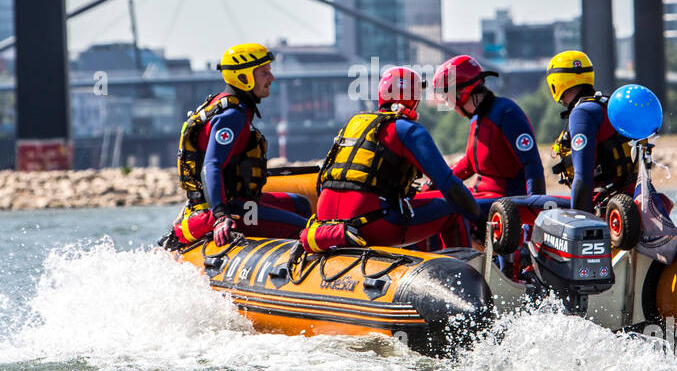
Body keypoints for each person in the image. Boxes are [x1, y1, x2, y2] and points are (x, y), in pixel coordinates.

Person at [300, 66, 478, 253]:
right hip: (369, 224)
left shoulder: (355, 123)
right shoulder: (406, 129)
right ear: (413, 98)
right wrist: (478, 217)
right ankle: (464, 274)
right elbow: (449, 185)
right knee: (453, 208)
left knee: (413, 206)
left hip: (325, 222)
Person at [167, 42, 311, 247]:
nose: (272, 78)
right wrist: (220, 216)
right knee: (308, 230)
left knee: (301, 204)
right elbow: (211, 166)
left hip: (239, 202)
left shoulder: (233, 109)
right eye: (264, 73)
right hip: (231, 209)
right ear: (244, 78)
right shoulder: (231, 117)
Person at [432, 54, 545, 198]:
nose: (449, 104)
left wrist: (534, 207)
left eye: (448, 98)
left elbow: (532, 164)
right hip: (480, 197)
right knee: (422, 201)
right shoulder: (477, 118)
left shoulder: (507, 113)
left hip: (503, 202)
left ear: (463, 92)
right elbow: (468, 164)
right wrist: (434, 183)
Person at [544, 50, 637, 214]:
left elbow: (582, 178)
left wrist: (579, 222)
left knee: (513, 204)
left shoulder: (582, 112)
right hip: (633, 201)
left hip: (604, 206)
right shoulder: (609, 105)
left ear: (555, 82)